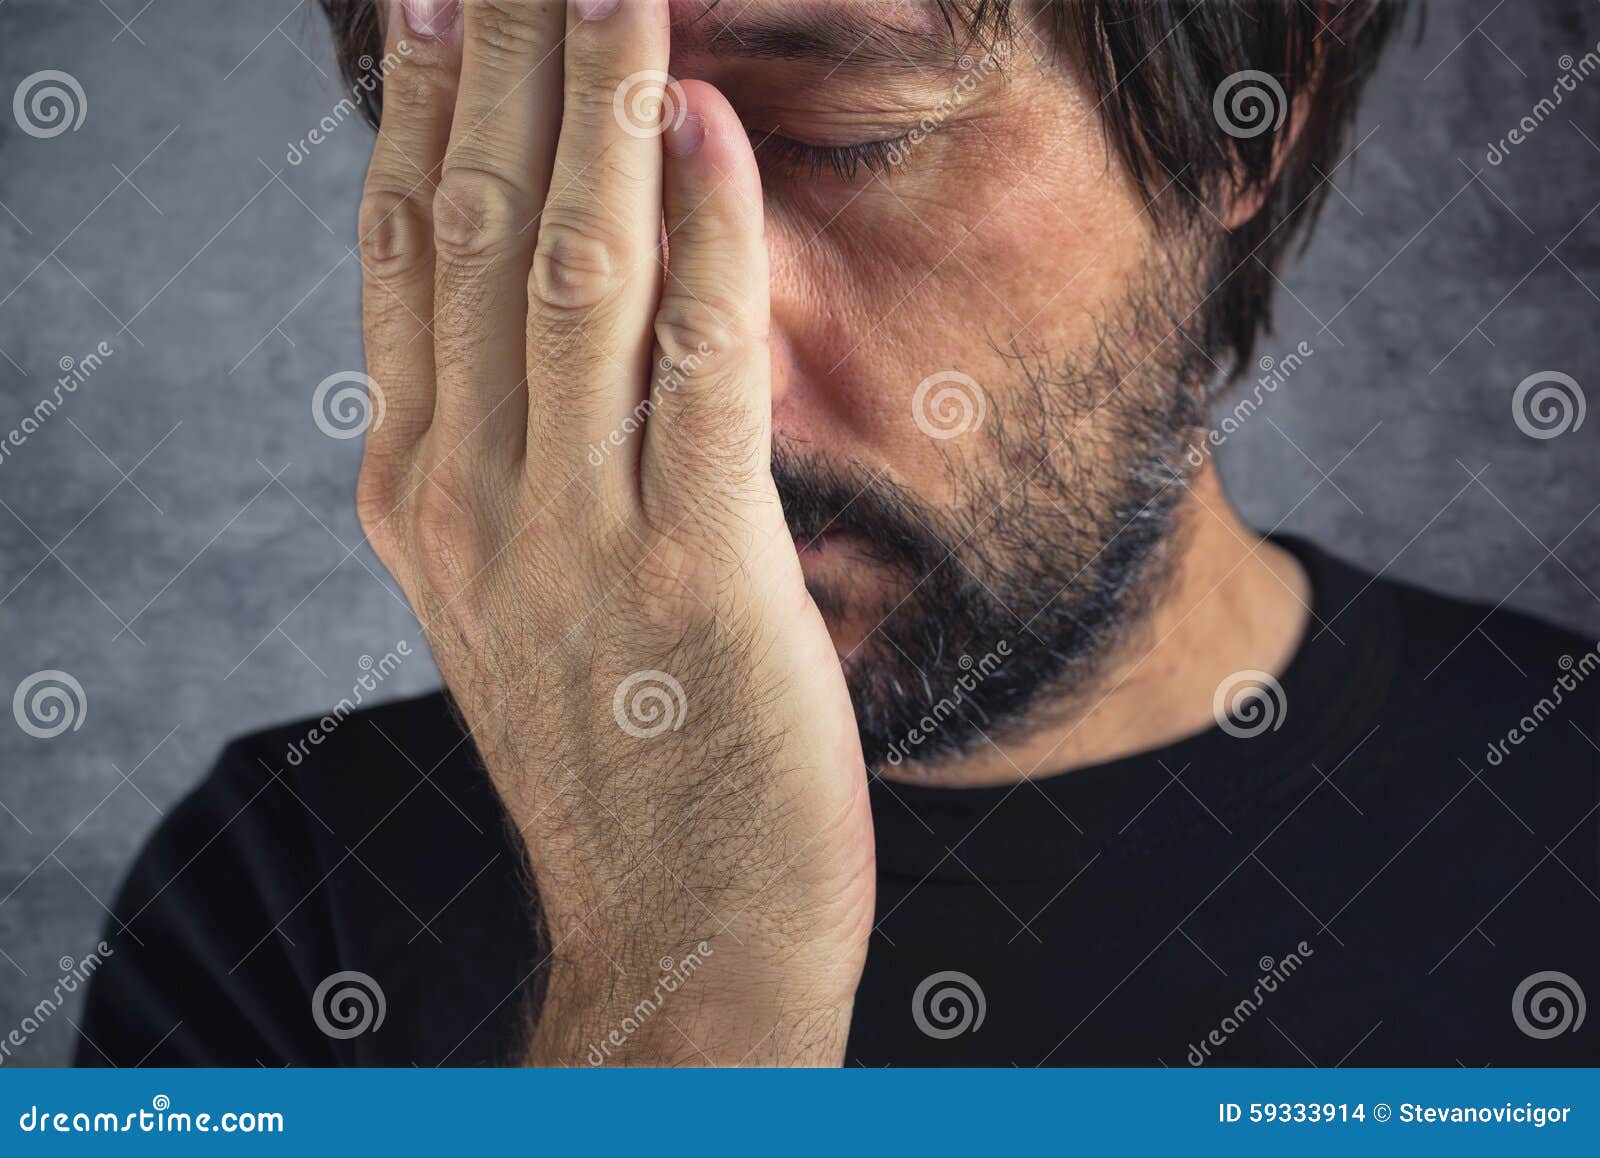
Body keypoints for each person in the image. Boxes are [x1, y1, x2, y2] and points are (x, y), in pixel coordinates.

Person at [78, 0, 1599, 1067]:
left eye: (836, 133)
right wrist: (690, 1002)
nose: (690, 378)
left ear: (1247, 119)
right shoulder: (279, 897)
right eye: (545, 181)